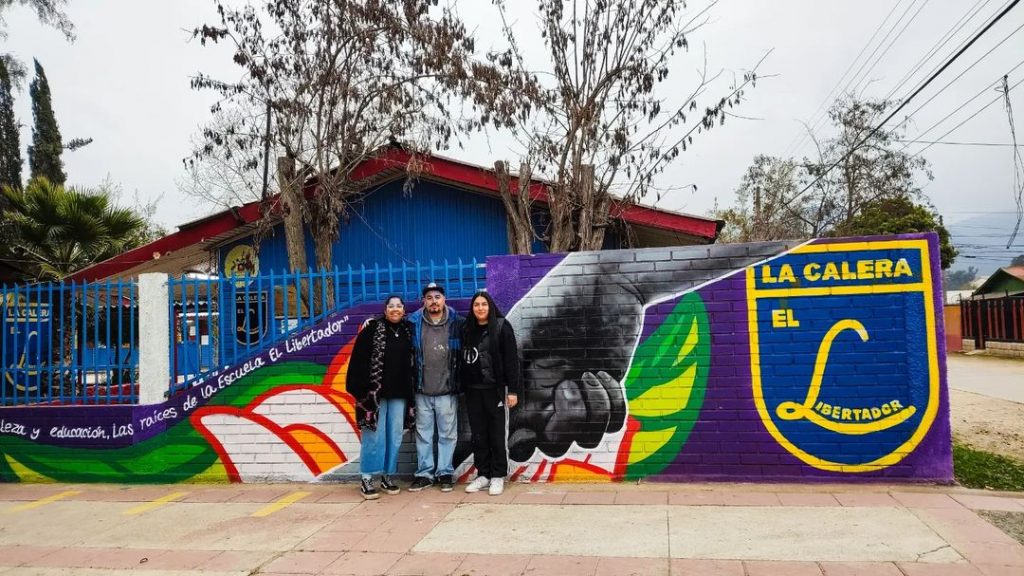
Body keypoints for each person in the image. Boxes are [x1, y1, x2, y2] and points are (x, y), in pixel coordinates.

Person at [346, 295, 416, 500]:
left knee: (394, 437)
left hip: (399, 393)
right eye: (391, 306)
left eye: (399, 306)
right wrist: (360, 392)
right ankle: (367, 478)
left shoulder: (406, 331)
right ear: (385, 310)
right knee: (374, 436)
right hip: (374, 395)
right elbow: (358, 360)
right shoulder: (372, 329)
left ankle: (388, 476)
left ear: (404, 310)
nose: (395, 309)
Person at [460, 290, 521, 496]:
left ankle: (497, 475)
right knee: (478, 435)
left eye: (483, 304)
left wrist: (513, 390)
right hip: (473, 392)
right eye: (476, 304)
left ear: (490, 306)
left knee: (496, 434)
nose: (480, 308)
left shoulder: (502, 327)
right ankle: (483, 474)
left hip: (495, 391)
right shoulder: (467, 328)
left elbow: (512, 361)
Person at [407, 282, 463, 492]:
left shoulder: (457, 322)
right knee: (423, 434)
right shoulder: (413, 322)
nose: (433, 301)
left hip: (447, 389)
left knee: (448, 434)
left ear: (444, 299)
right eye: (429, 298)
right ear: (424, 301)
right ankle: (424, 474)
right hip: (421, 389)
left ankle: (445, 473)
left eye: (437, 297)